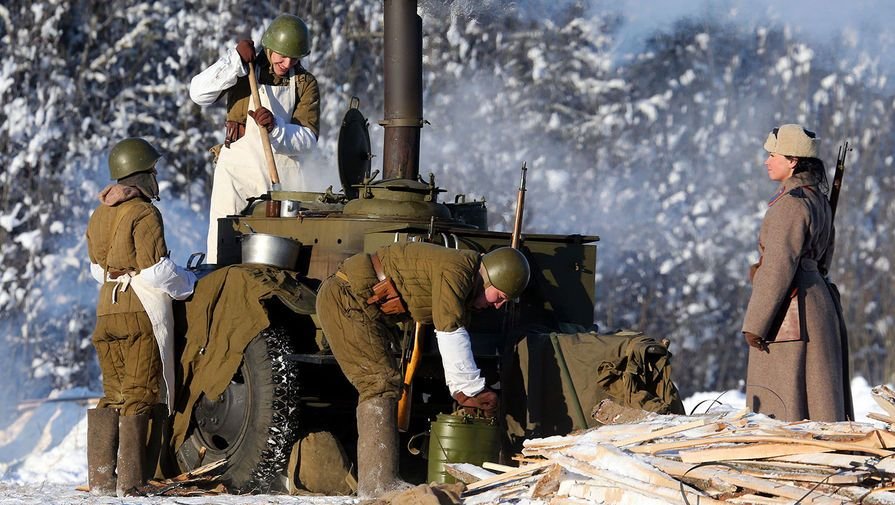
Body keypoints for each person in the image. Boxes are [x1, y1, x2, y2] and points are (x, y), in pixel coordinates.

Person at [316, 242, 530, 497]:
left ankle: (380, 482)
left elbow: (451, 331)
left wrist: (465, 389)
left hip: (364, 306)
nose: (497, 306)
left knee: (384, 382)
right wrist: (469, 389)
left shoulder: (463, 275)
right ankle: (378, 485)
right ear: (492, 278)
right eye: (500, 297)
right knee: (379, 382)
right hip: (346, 299)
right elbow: (450, 330)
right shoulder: (458, 269)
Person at [86, 138, 197, 496]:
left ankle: (102, 481)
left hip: (107, 307)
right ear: (139, 174)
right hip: (139, 310)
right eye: (152, 170)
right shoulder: (145, 213)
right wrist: (188, 281)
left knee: (113, 393)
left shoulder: (100, 212)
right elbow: (156, 271)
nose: (156, 176)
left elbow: (94, 269)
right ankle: (132, 483)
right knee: (140, 393)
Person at [741, 124, 851, 422]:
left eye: (773, 154)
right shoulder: (817, 200)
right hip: (819, 305)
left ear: (792, 160)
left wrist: (756, 323)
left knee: (784, 407)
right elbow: (824, 259)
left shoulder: (789, 204)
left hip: (793, 313)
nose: (767, 161)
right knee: (819, 401)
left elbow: (777, 266)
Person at [190, 14, 320, 263]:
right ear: (270, 47)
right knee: (223, 246)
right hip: (236, 173)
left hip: (282, 177)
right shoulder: (242, 70)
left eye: (295, 57)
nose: (288, 62)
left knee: (278, 253)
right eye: (282, 55)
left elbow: (308, 139)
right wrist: (233, 61)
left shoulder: (305, 83)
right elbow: (199, 94)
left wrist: (276, 128)